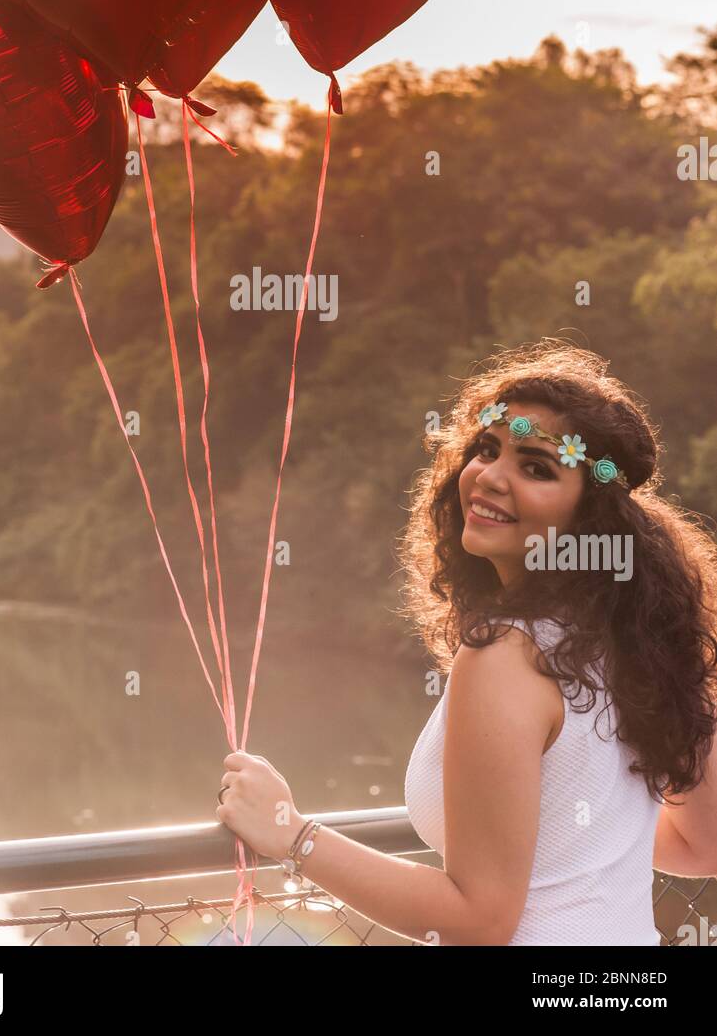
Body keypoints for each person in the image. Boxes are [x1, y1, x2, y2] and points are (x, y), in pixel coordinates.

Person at [216, 341, 717, 945]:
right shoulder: (644, 636)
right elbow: (703, 843)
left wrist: (293, 836)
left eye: (536, 467)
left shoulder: (507, 657)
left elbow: (479, 921)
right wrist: (569, 838)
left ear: (591, 515)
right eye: (487, 448)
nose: (490, 477)